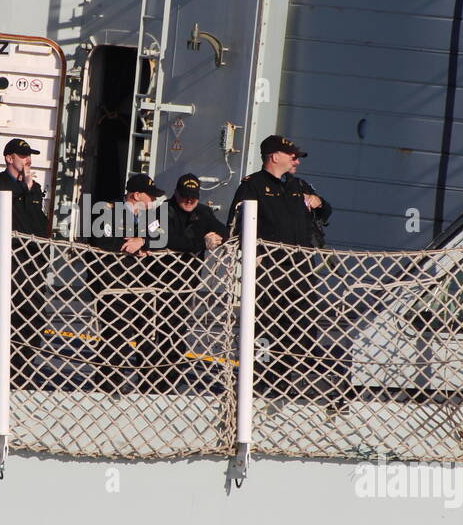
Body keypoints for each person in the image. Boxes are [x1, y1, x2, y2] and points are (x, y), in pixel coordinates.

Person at [227, 135, 342, 407]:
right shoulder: (252, 186)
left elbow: (326, 213)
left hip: (301, 269)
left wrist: (319, 203)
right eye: (291, 155)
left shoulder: (298, 185)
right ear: (273, 156)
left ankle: (296, 378)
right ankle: (264, 381)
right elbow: (234, 225)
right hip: (270, 270)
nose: (296, 160)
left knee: (301, 325)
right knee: (267, 325)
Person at [83, 172, 168, 392]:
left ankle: (150, 390)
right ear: (136, 195)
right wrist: (129, 246)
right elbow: (99, 239)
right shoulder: (108, 211)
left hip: (143, 287)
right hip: (113, 285)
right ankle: (108, 388)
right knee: (116, 340)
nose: (153, 201)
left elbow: (164, 238)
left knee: (148, 339)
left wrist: (143, 241)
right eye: (149, 197)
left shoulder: (151, 217)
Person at [0, 138, 50, 376]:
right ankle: (5, 366)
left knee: (34, 315)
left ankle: (24, 367)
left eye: (29, 155)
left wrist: (30, 190)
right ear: (9, 158)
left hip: (35, 259)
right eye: (23, 156)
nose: (28, 160)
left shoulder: (33, 188)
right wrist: (26, 188)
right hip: (12, 257)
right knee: (13, 312)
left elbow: (38, 223)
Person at [159, 174, 227, 392]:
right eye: (185, 196)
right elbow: (165, 239)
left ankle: (170, 381)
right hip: (158, 280)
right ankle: (152, 379)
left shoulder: (203, 213)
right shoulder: (161, 211)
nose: (189, 201)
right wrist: (200, 243)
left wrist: (217, 237)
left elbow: (224, 231)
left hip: (185, 282)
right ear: (176, 193)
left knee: (177, 331)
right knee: (154, 332)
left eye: (193, 197)